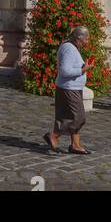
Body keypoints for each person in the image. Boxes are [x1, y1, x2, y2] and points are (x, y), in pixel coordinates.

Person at [43, 25, 91, 156]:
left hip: (71, 87)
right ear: (79, 38)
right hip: (69, 88)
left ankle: (75, 145)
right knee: (78, 117)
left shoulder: (71, 47)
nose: (87, 42)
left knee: (66, 116)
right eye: (86, 39)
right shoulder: (68, 49)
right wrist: (82, 70)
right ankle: (54, 135)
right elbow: (64, 71)